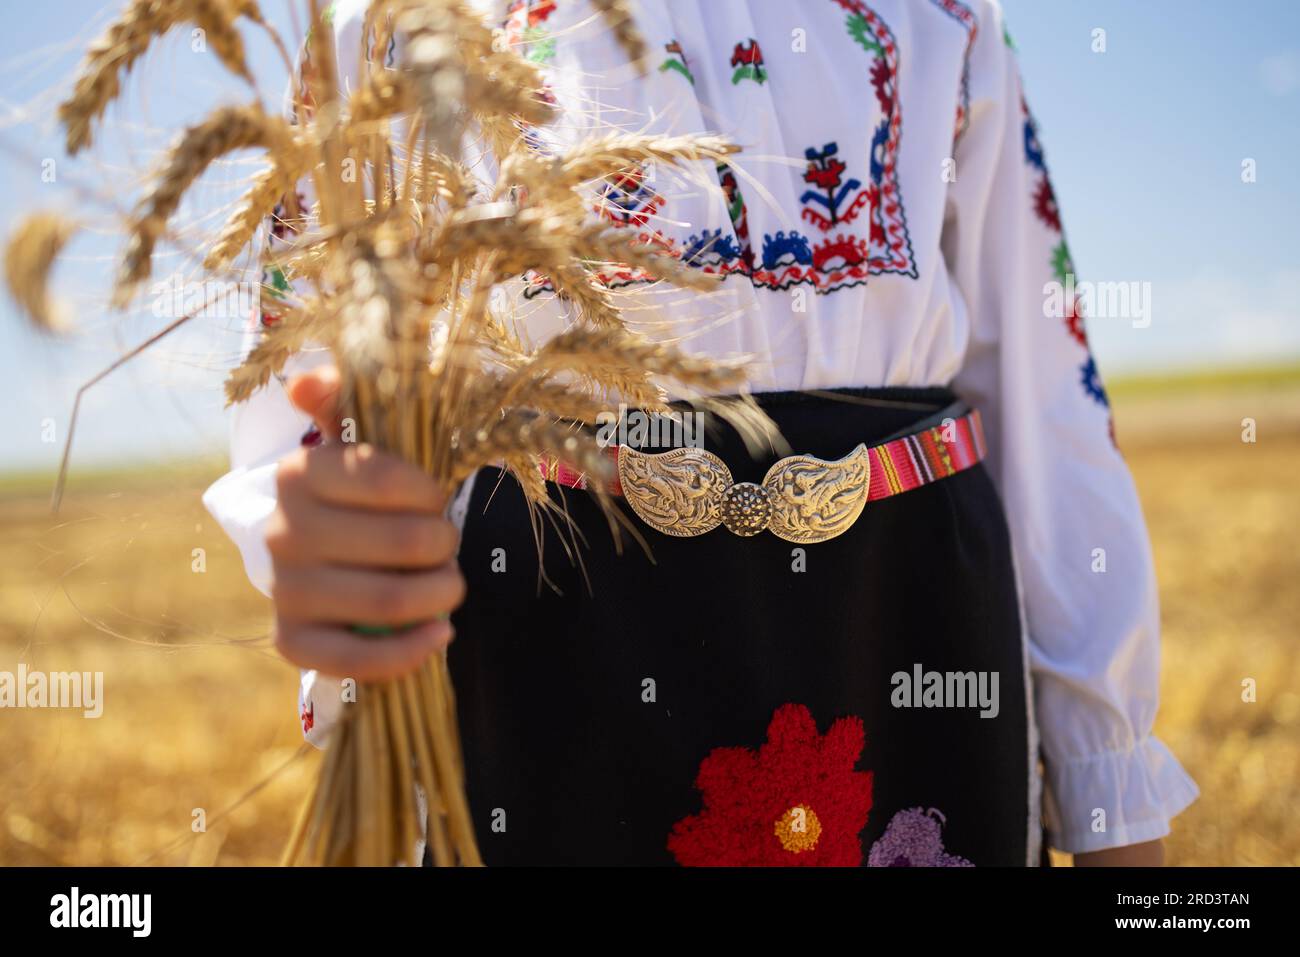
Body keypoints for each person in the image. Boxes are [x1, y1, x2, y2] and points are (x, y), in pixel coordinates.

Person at [204, 0, 1198, 866]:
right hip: (553, 660)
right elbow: (294, 414)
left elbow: (1046, 406)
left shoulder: (942, 19)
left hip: (901, 638)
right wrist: (331, 538)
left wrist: (1113, 801)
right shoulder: (387, 30)